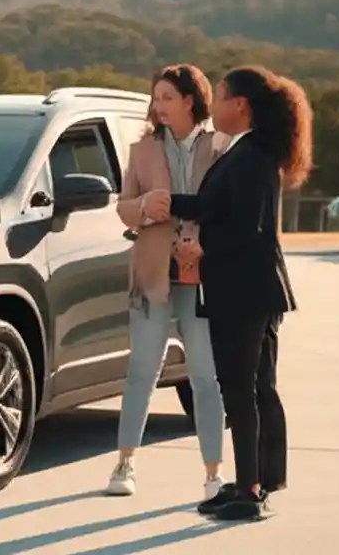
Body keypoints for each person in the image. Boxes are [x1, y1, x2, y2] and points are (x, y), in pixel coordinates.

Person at [141, 65, 312, 522]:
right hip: (252, 289)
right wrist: (172, 202)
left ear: (240, 105)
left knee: (241, 390)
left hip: (245, 292)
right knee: (255, 388)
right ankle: (258, 479)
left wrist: (202, 245)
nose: (212, 105)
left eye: (218, 97)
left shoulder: (253, 156)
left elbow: (244, 227)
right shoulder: (248, 151)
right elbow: (219, 207)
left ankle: (250, 490)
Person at [107, 64, 228, 501]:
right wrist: (143, 205)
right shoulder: (141, 151)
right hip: (152, 273)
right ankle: (124, 464)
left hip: (200, 276)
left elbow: (228, 209)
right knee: (141, 371)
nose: (158, 107)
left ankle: (214, 474)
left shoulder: (218, 148)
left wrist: (205, 245)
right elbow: (122, 208)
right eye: (155, 98)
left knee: (205, 377)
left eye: (167, 98)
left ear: (190, 101)